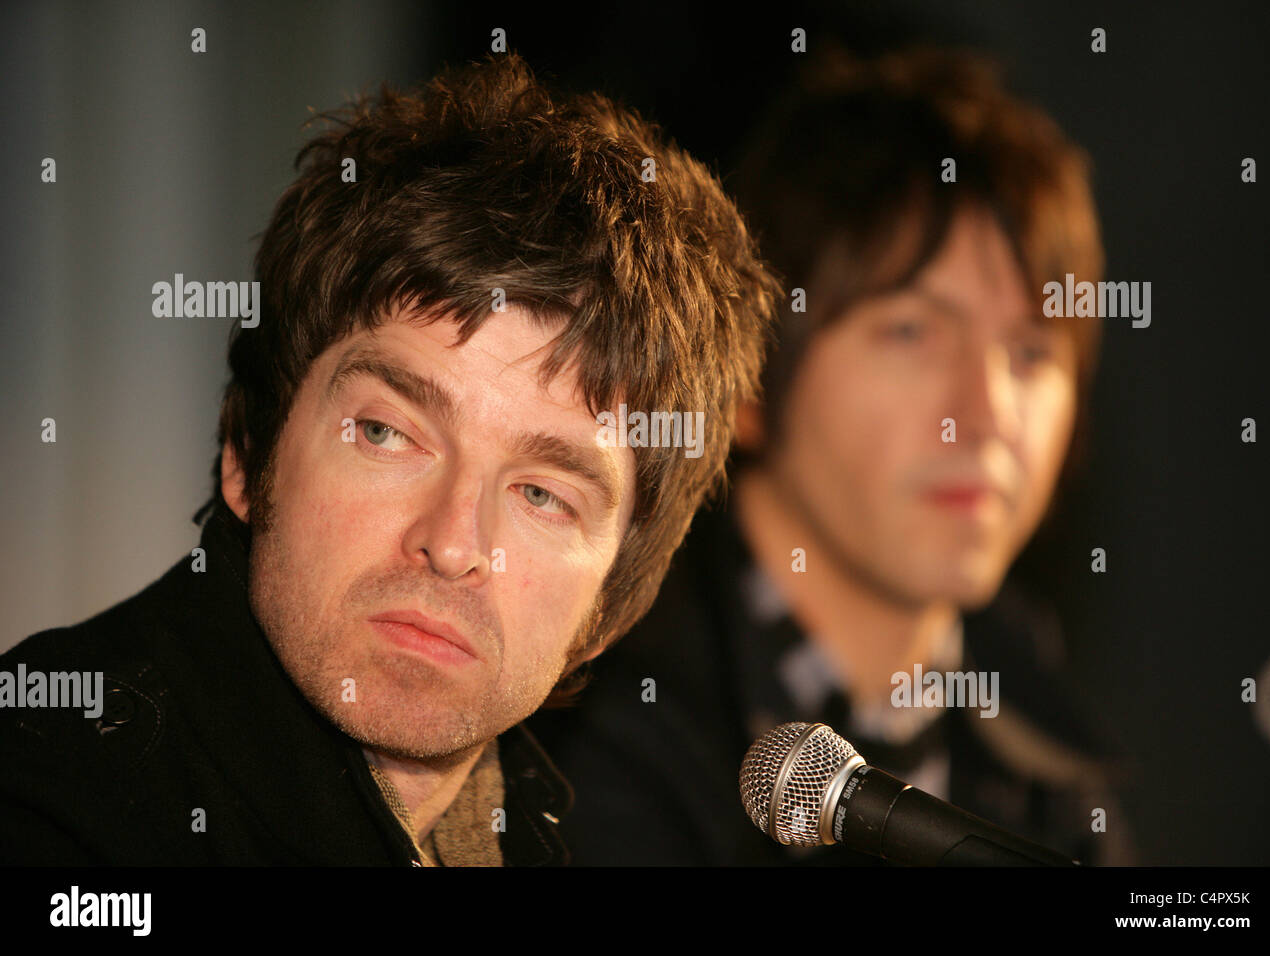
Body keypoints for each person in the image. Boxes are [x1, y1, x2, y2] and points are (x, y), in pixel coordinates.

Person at [0, 52, 780, 865]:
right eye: (387, 434)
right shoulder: (51, 804)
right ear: (247, 451)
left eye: (543, 495)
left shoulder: (536, 835)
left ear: (613, 611)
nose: (451, 544)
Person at [530, 45, 1135, 865]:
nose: (988, 413)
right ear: (749, 382)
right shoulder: (593, 718)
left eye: (1031, 354)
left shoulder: (1045, 743)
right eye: (911, 333)